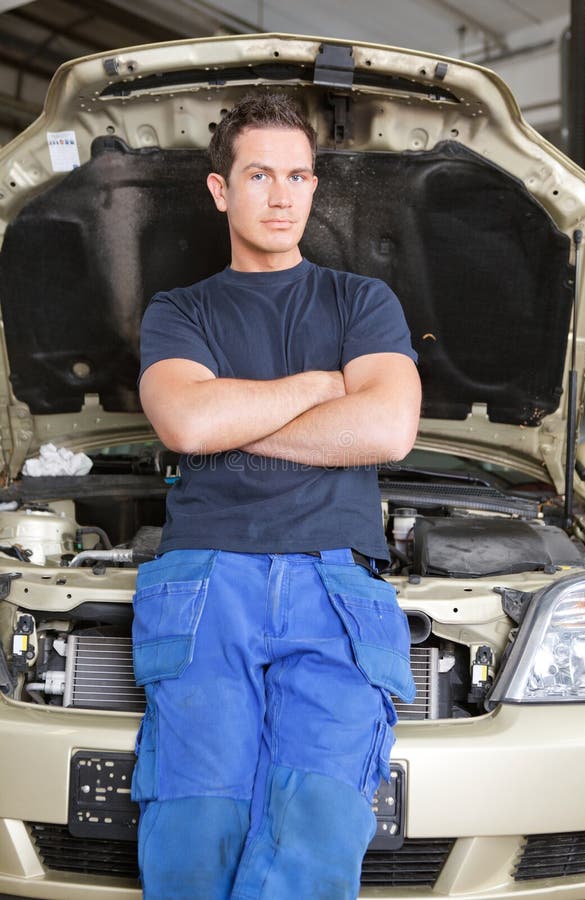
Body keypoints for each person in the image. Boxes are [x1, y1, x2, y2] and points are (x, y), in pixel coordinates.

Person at [132, 93, 421, 900]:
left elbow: (389, 429)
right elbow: (186, 423)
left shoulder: (362, 303)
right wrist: (320, 387)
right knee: (197, 828)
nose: (282, 194)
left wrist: (232, 417)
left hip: (336, 587)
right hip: (205, 585)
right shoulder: (179, 311)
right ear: (222, 190)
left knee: (319, 826)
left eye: (298, 175)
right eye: (259, 174)